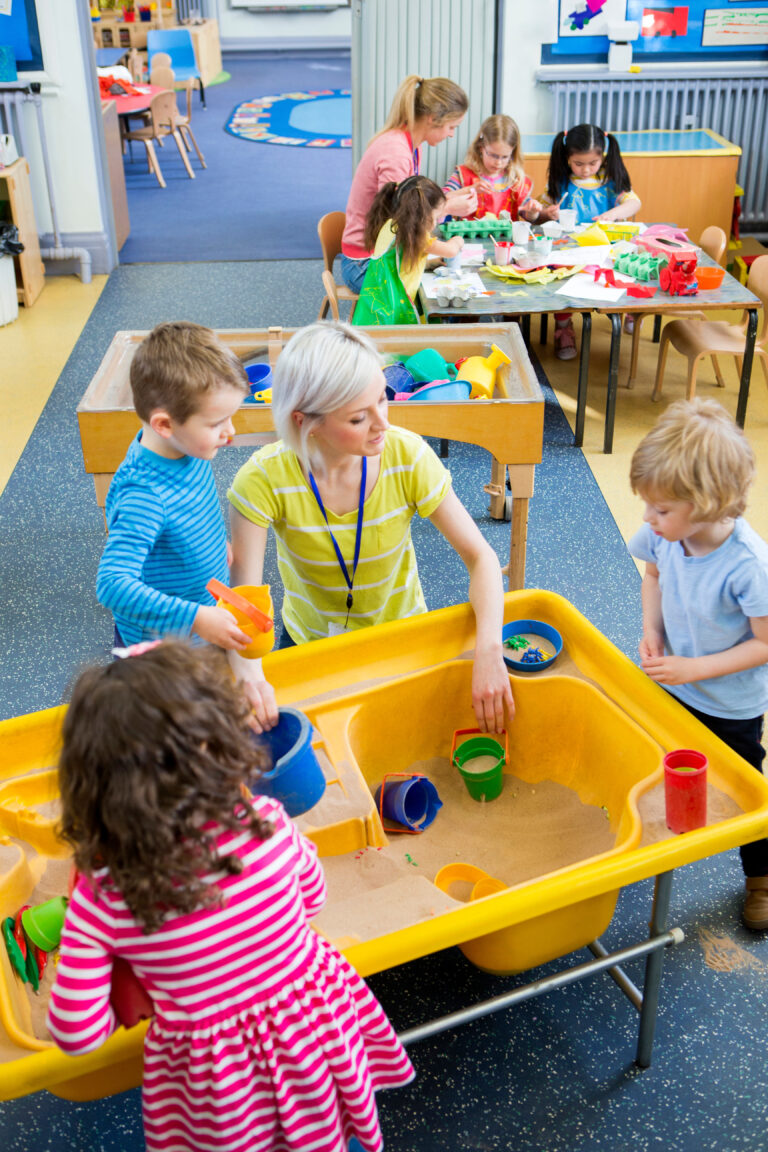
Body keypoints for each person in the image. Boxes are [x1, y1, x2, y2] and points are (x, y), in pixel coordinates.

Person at [47, 641, 415, 1152]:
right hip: (311, 1037)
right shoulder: (266, 823)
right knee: (322, 1131)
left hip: (218, 1086)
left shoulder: (104, 896)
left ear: (90, 786)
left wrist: (140, 978)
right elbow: (312, 899)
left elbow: (77, 1032)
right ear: (222, 744)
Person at [227, 321, 514, 735]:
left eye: (383, 398)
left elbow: (482, 558)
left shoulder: (406, 454)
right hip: (312, 646)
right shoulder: (261, 480)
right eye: (360, 418)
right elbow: (243, 605)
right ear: (307, 421)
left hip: (403, 640)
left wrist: (489, 649)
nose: (382, 423)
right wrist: (248, 674)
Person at [628, 399, 768, 930]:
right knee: (656, 758)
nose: (648, 518)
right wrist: (653, 632)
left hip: (730, 703)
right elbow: (653, 577)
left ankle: (761, 878)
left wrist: (695, 669)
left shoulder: (749, 566)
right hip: (676, 683)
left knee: (745, 791)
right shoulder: (666, 534)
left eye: (660, 510)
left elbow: (764, 644)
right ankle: (649, 840)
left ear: (707, 505)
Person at [96, 322, 252, 652]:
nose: (231, 432)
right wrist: (195, 617)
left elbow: (188, 511)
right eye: (216, 423)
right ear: (164, 424)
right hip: (162, 650)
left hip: (201, 623)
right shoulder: (144, 494)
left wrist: (211, 545)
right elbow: (112, 585)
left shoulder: (186, 448)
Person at [340, 74, 476, 294]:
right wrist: (448, 209)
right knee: (441, 291)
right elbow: (403, 225)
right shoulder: (397, 154)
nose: (451, 135)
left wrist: (446, 200)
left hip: (376, 256)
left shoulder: (410, 145)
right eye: (452, 127)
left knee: (444, 280)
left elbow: (411, 205)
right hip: (366, 264)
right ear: (432, 118)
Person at [533, 124, 641, 360]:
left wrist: (613, 213)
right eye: (578, 164)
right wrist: (546, 212)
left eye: (592, 163)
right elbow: (541, 210)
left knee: (625, 268)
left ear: (603, 156)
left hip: (604, 247)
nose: (585, 170)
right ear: (567, 158)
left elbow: (634, 203)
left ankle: (630, 310)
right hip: (571, 249)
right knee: (561, 281)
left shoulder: (610, 180)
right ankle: (563, 328)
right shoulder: (561, 181)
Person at [353, 175, 464, 324]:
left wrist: (429, 264)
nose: (436, 223)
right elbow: (451, 250)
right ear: (423, 215)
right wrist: (458, 240)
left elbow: (398, 263)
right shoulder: (417, 236)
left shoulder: (391, 225)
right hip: (391, 310)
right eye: (436, 218)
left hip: (375, 303)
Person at [443, 114, 543, 222]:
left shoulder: (515, 181)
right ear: (481, 148)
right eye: (493, 155)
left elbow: (529, 216)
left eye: (505, 157)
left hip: (506, 239)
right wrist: (470, 189)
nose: (498, 163)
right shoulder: (463, 175)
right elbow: (441, 200)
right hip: (467, 239)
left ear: (512, 153)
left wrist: (533, 212)